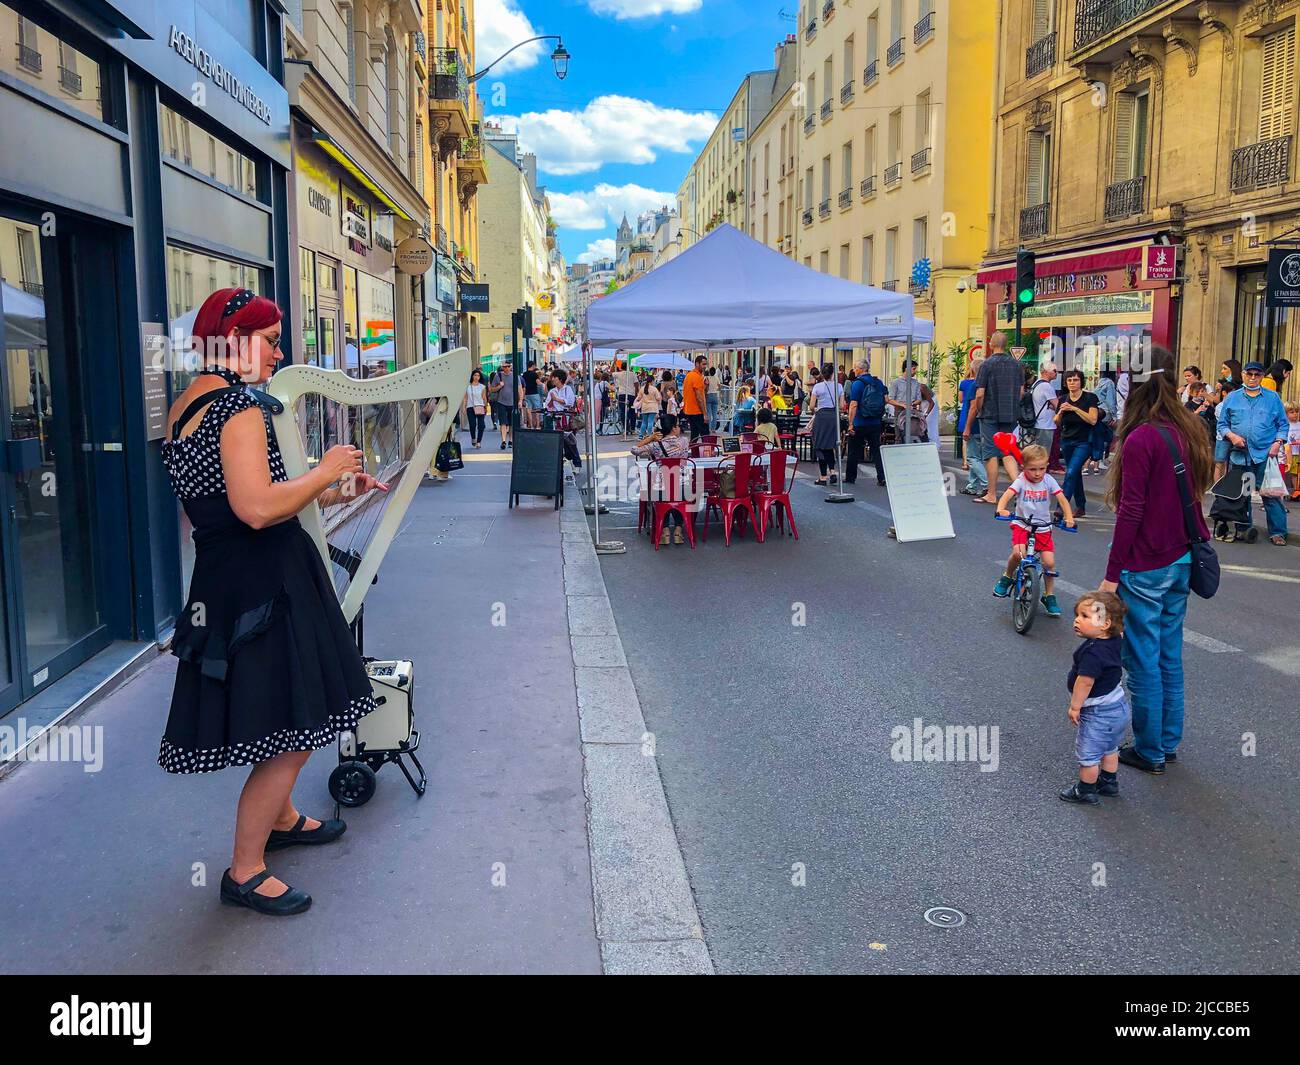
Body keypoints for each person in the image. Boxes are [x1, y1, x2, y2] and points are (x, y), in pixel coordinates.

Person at [161, 287, 386, 915]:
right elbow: (257, 509)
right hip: (267, 581)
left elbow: (237, 498)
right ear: (234, 342)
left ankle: (282, 818)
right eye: (269, 341)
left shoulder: (186, 404)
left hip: (226, 578)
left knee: (277, 710)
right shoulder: (237, 407)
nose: (278, 353)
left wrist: (331, 492)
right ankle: (245, 869)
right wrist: (326, 470)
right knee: (293, 727)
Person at [1100, 346, 1212, 773]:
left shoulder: (1141, 438)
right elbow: (1196, 496)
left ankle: (1149, 751)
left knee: (1143, 661)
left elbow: (1132, 511)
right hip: (1182, 558)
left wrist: (1112, 574)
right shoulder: (1190, 429)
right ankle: (1166, 742)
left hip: (1146, 564)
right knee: (1169, 655)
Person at [1059, 591, 1131, 805]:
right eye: (1077, 615)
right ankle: (1109, 783)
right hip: (1118, 707)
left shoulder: (1093, 653)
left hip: (1097, 712)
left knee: (1089, 755)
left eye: (1084, 616)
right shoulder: (1115, 639)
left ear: (1105, 624)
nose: (1077, 620)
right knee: (1110, 748)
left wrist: (1075, 706)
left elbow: (1085, 682)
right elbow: (1121, 629)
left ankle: (1086, 790)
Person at [994, 443, 1075, 617]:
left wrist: (1069, 517)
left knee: (1049, 562)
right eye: (1032, 469)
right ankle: (1007, 576)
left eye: (1041, 469)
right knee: (1018, 554)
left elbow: (1062, 499)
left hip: (1043, 527)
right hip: (1022, 524)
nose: (1037, 473)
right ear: (1023, 466)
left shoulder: (1049, 480)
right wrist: (1001, 508)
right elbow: (1007, 495)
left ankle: (1049, 595)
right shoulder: (1021, 481)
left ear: (1046, 466)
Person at [1215, 359, 1290, 545]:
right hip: (1241, 456)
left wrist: (1278, 443)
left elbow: (1283, 424)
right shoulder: (1232, 398)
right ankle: (1243, 528)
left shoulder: (1272, 398)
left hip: (1265, 455)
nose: (1253, 377)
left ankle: (1278, 532)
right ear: (1243, 375)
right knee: (1243, 494)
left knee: (1271, 495)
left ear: (1262, 376)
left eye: (1257, 374)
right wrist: (1232, 436)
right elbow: (1222, 424)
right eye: (1249, 374)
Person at [965, 331, 1024, 504]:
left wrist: (980, 409)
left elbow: (980, 393)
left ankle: (991, 493)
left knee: (991, 453)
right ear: (1005, 345)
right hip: (1010, 414)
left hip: (990, 414)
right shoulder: (1017, 365)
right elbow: (1021, 392)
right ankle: (1019, 489)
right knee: (1007, 451)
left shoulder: (986, 365)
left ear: (991, 344)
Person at [632, 414, 692, 545]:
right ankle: (678, 531)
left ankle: (665, 531)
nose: (679, 428)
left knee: (663, 499)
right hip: (682, 488)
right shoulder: (684, 441)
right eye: (677, 425)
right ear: (673, 428)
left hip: (661, 489)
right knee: (679, 498)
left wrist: (651, 438)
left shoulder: (655, 445)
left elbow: (634, 450)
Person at [1053, 369, 1099, 520]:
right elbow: (1056, 422)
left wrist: (1075, 408)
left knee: (1071, 471)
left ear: (1081, 382)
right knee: (1075, 473)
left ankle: (1061, 507)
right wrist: (1060, 412)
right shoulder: (1063, 399)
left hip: (1084, 441)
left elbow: (1093, 419)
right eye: (1069, 380)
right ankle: (1080, 506)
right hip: (1067, 441)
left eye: (1075, 380)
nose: (1072, 383)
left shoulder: (1090, 398)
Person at [845, 358, 887, 487]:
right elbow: (885, 399)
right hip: (875, 422)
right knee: (876, 450)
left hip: (860, 421)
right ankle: (882, 476)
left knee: (853, 450)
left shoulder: (857, 383)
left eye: (855, 368)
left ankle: (851, 477)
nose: (853, 370)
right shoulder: (878, 382)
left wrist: (850, 423)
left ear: (860, 369)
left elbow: (853, 404)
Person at [809, 363, 845, 485]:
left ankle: (823, 477)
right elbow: (842, 406)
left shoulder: (817, 387)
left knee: (820, 445)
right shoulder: (839, 386)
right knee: (830, 445)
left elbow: (811, 406)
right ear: (833, 374)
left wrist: (816, 410)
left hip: (821, 417)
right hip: (834, 417)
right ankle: (832, 471)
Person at [958, 357, 986, 496]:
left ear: (973, 370)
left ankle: (987, 484)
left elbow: (973, 407)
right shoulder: (987, 385)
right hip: (983, 424)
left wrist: (967, 427)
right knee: (977, 456)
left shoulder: (974, 385)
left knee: (972, 458)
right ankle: (972, 486)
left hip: (973, 424)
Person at [1084, 368, 1119, 475]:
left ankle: (1091, 462)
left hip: (1096, 411)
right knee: (1105, 437)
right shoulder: (1109, 383)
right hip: (1105, 412)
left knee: (1095, 436)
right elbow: (1110, 401)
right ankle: (1100, 460)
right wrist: (1114, 415)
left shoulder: (1098, 383)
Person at [1025, 361, 1059, 450]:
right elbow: (1057, 406)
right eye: (1054, 370)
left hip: (1038, 423)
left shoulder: (1037, 383)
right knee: (1044, 454)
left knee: (1039, 452)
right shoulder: (1046, 386)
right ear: (1046, 372)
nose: (1056, 373)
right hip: (1045, 425)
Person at [682, 355, 709, 440]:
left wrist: (705, 386)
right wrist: (705, 414)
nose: (705, 366)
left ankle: (693, 447)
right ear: (697, 364)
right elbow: (699, 397)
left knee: (694, 434)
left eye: (706, 364)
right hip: (697, 411)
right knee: (705, 435)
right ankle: (706, 448)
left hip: (689, 410)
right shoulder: (696, 377)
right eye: (703, 364)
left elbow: (700, 393)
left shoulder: (689, 375)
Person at [463, 368, 489, 449]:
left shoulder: (482, 387)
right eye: (475, 375)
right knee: (472, 424)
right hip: (470, 407)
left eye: (478, 375)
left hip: (480, 406)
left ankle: (479, 442)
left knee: (481, 425)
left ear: (480, 377)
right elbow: (465, 398)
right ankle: (473, 438)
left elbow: (484, 398)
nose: (476, 377)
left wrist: (485, 407)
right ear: (472, 376)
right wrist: (464, 407)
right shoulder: (467, 387)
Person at [496, 363, 517, 450]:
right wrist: (499, 386)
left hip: (512, 403)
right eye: (505, 367)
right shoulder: (498, 376)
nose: (507, 368)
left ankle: (510, 440)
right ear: (502, 367)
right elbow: (492, 389)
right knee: (503, 422)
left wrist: (520, 400)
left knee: (511, 423)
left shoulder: (515, 376)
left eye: (508, 366)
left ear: (510, 367)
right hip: (501, 402)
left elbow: (520, 389)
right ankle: (503, 441)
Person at [615, 363, 637, 435]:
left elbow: (611, 372)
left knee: (623, 412)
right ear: (628, 367)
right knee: (632, 412)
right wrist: (636, 394)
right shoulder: (633, 374)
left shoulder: (618, 374)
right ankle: (632, 429)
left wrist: (614, 362)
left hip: (622, 394)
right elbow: (636, 384)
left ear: (621, 368)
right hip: (631, 395)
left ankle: (625, 428)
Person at [522, 362, 543, 429]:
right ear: (533, 366)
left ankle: (530, 425)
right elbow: (538, 383)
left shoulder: (524, 374)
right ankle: (537, 426)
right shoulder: (534, 374)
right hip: (534, 393)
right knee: (537, 410)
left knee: (529, 410)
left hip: (527, 394)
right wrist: (542, 385)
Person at [1285, 401, 1300, 499]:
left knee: (1298, 472)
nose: (1295, 414)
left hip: (1298, 452)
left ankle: (1297, 489)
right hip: (1290, 453)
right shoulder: (1286, 425)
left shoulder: (1299, 425)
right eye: (1292, 412)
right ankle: (1295, 490)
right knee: (1294, 472)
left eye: (1297, 411)